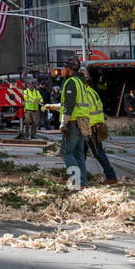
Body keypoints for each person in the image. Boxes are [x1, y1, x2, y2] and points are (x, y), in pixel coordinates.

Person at [81, 70, 118, 185]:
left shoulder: (84, 94)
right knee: (81, 153)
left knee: (98, 153)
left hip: (90, 127)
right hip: (95, 126)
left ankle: (111, 176)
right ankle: (78, 177)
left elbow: (83, 111)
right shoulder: (92, 91)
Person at [59, 56, 90, 190]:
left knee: (66, 152)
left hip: (73, 122)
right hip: (82, 122)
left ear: (69, 69)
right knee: (78, 154)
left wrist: (63, 122)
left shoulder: (71, 82)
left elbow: (69, 105)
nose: (64, 71)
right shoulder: (81, 82)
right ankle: (82, 183)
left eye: (65, 68)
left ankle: (77, 182)